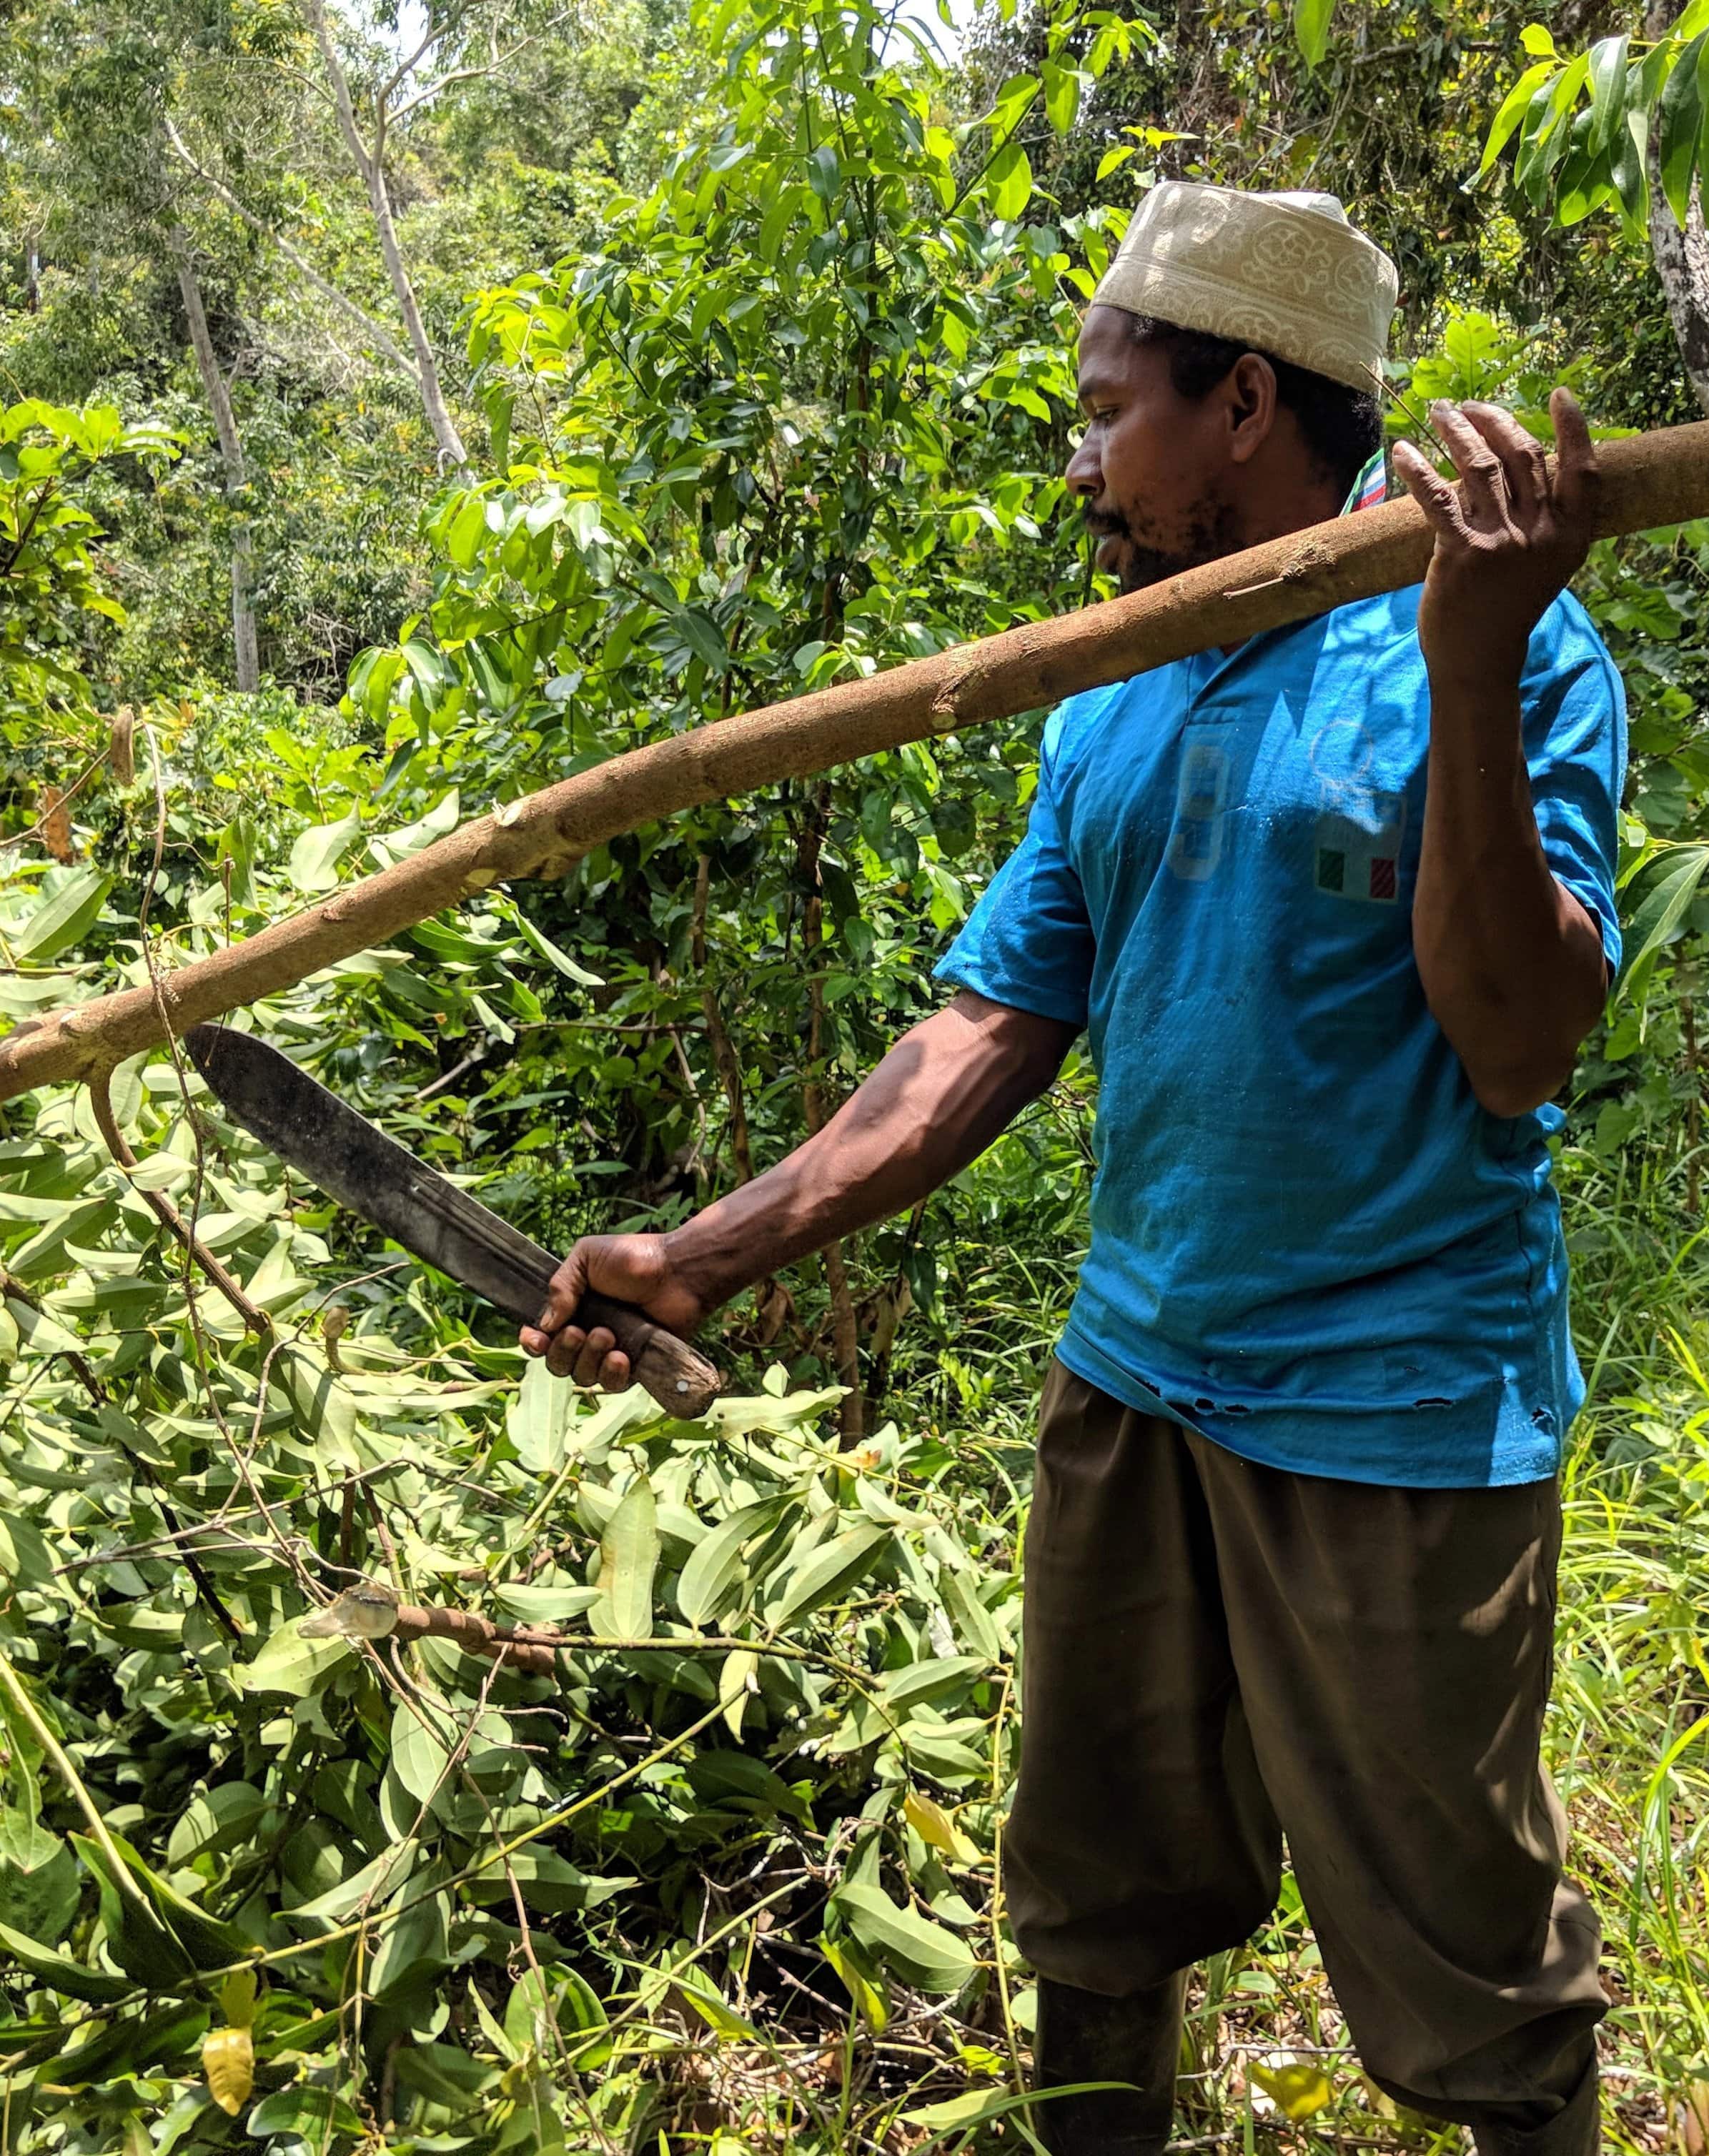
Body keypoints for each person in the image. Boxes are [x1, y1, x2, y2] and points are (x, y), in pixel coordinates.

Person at [520, 182, 1624, 2156]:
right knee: (1094, 1905)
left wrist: (1468, 657)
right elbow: (985, 1029)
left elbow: (1515, 1038)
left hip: (1390, 1408)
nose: (1078, 459)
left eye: (1109, 411)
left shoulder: (1502, 647)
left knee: (1471, 1979)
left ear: (1244, 407)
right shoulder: (1117, 683)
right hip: (1135, 1390)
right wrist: (705, 1254)